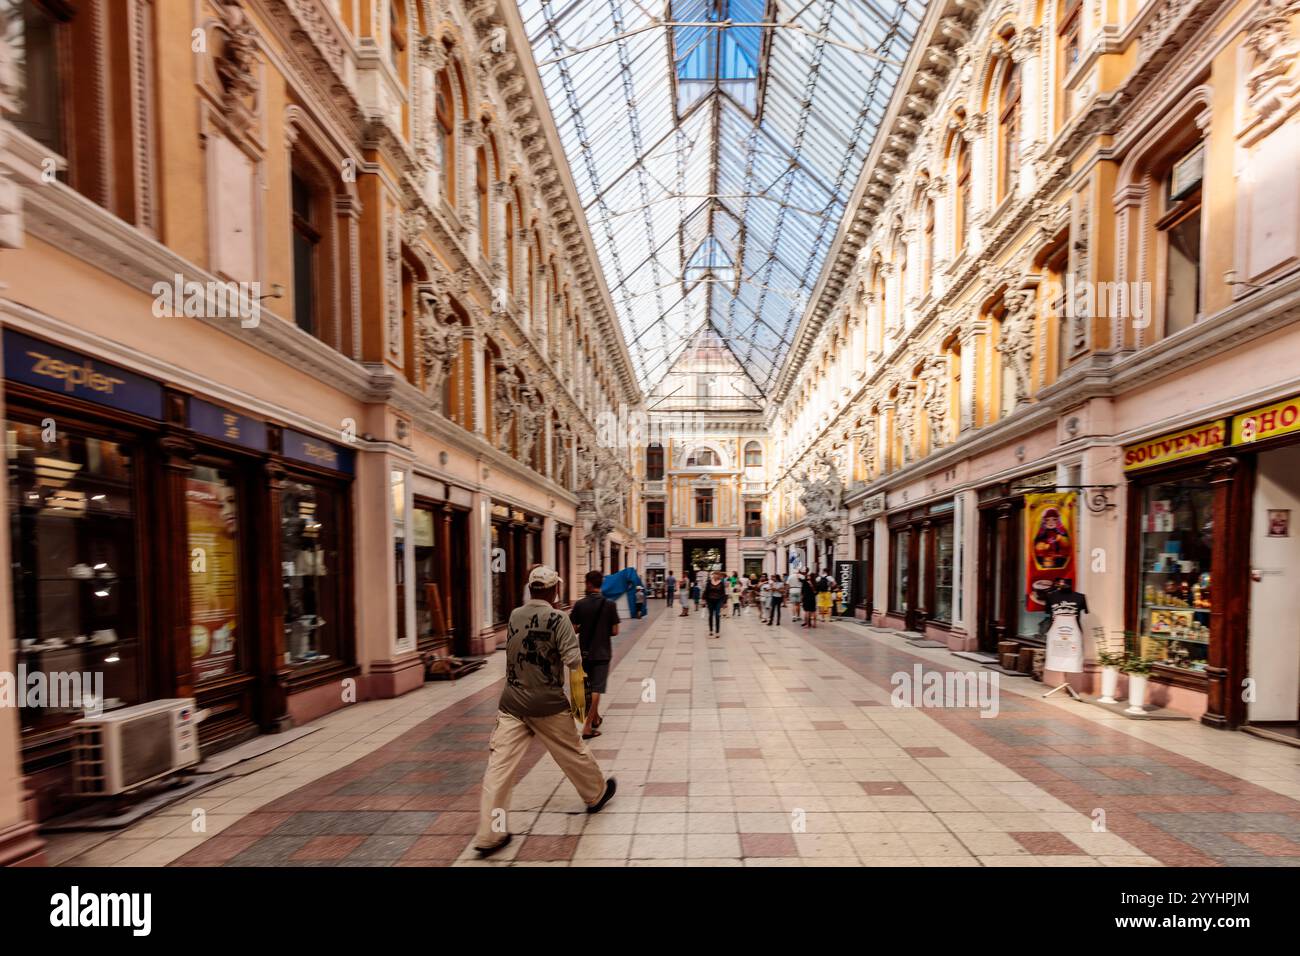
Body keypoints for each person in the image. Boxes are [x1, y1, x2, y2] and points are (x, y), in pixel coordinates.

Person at [473, 566, 616, 856]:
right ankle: (595, 793)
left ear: (531, 589)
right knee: (572, 751)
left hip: (512, 703)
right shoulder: (559, 618)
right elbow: (574, 664)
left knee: (499, 769)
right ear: (554, 591)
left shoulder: (514, 615)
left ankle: (490, 835)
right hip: (547, 704)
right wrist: (579, 709)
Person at [571, 570, 620, 740]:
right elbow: (615, 631)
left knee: (589, 687)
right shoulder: (610, 605)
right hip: (602, 653)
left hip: (584, 652)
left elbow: (574, 629)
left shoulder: (580, 604)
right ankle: (587, 727)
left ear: (589, 584)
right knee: (597, 688)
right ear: (600, 584)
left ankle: (596, 718)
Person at [703, 569, 727, 638]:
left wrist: (724, 602)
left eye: (716, 574)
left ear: (718, 575)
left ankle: (717, 632)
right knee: (710, 615)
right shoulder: (709, 582)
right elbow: (706, 591)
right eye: (713, 574)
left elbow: (723, 593)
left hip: (718, 600)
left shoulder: (721, 583)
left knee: (717, 615)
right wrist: (704, 600)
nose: (714, 575)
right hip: (710, 600)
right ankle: (710, 630)